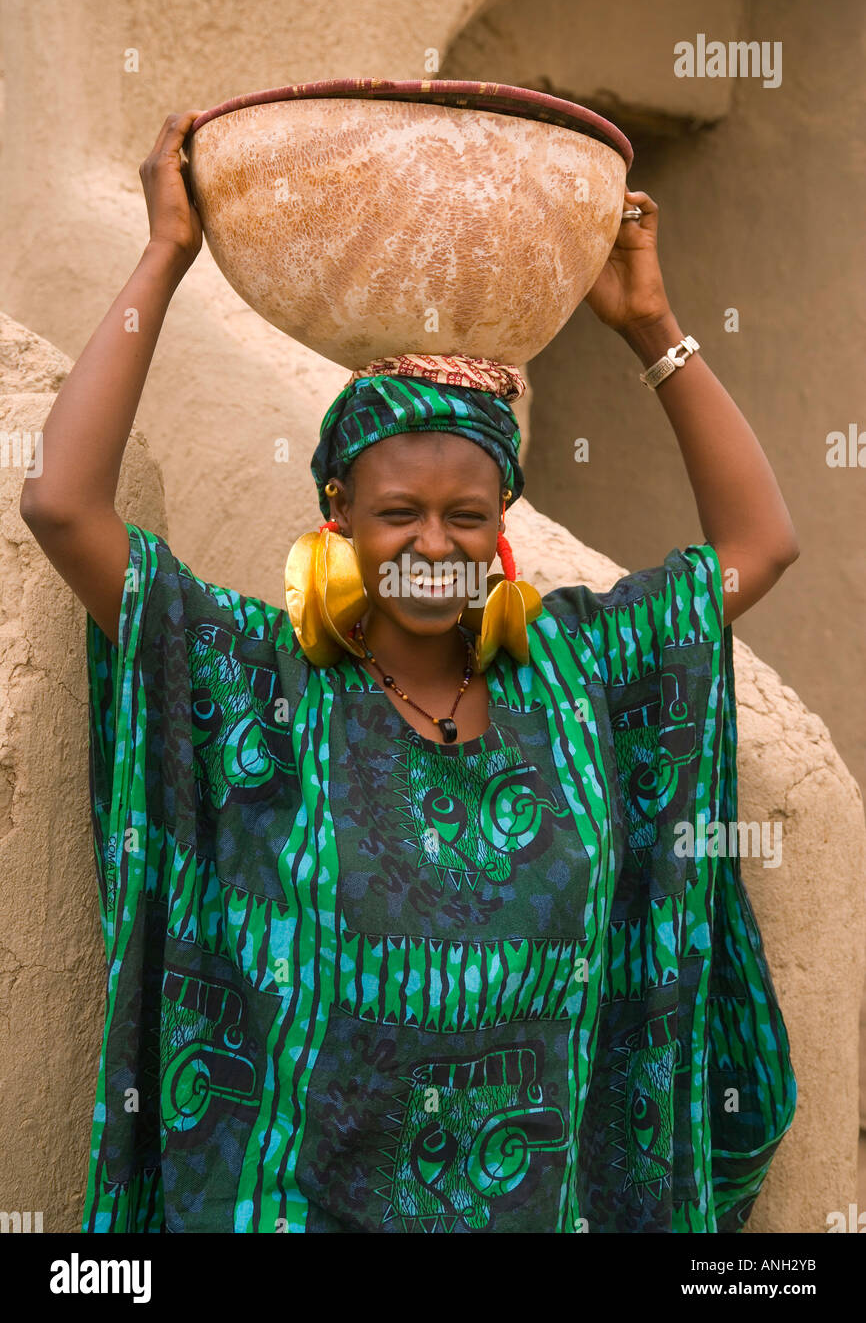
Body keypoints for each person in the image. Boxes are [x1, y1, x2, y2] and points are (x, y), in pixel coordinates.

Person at [20, 111, 799, 1234]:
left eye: (464, 515)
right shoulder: (260, 684)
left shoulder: (574, 679)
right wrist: (164, 253)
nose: (433, 545)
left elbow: (757, 546)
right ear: (336, 512)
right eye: (397, 514)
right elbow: (59, 505)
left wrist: (650, 325)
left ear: (502, 522)